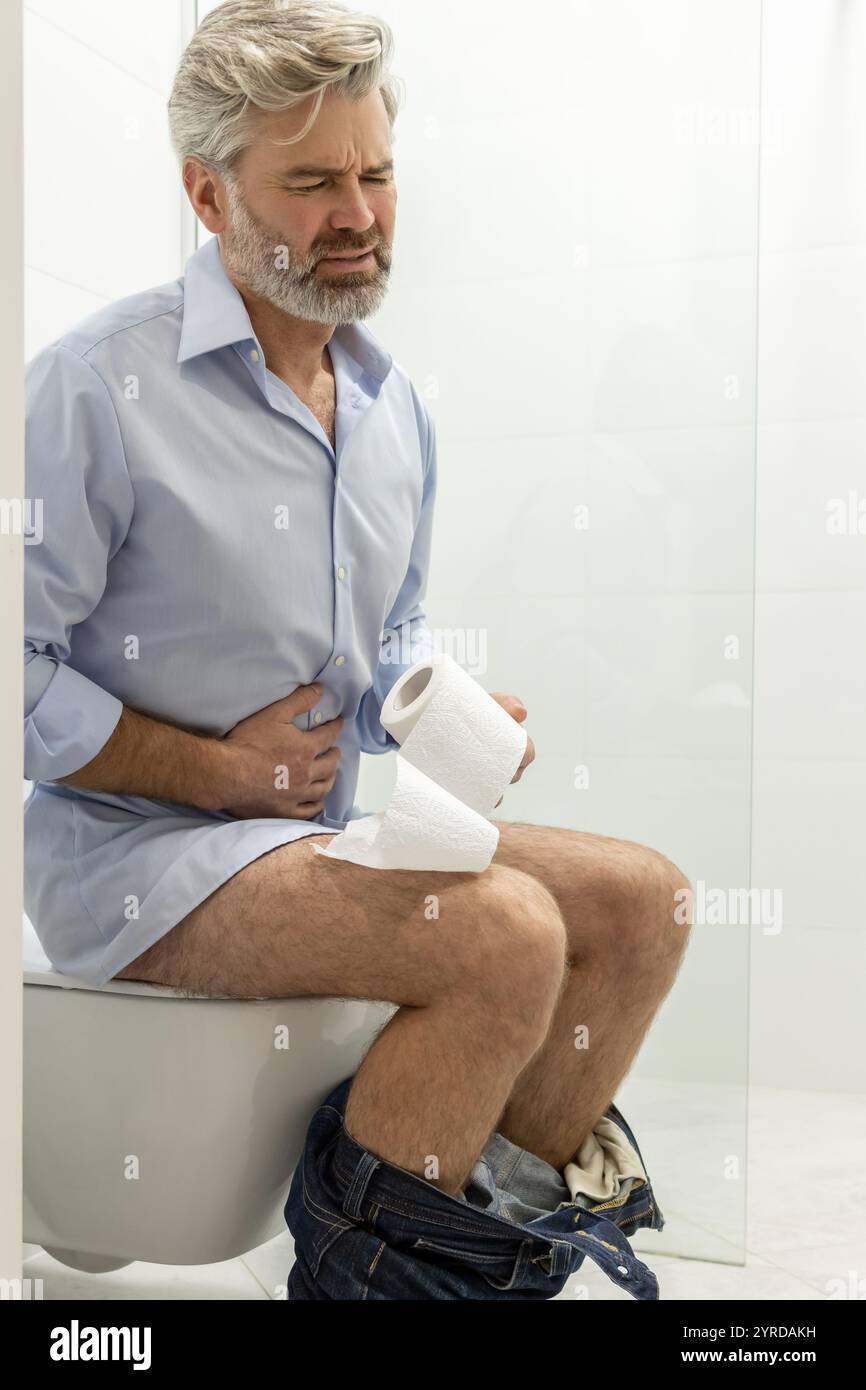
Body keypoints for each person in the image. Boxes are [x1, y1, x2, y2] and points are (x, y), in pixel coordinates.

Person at [23, 0, 692, 1298]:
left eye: (376, 172)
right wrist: (211, 770)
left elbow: (379, 647)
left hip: (299, 850)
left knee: (640, 900)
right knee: (497, 932)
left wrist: (433, 703)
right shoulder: (97, 386)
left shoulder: (387, 413)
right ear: (208, 195)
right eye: (313, 180)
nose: (359, 212)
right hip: (134, 867)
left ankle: (457, 1268)